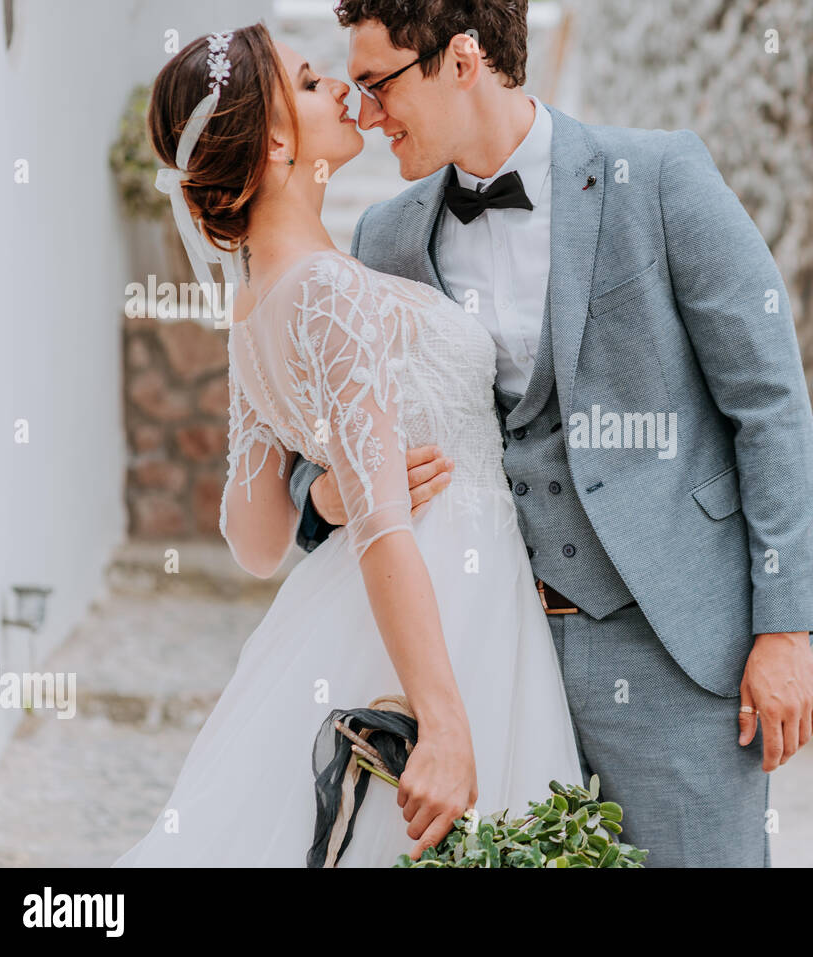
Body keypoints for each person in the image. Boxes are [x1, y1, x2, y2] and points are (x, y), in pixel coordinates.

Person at [287, 0, 813, 867]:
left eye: (377, 83)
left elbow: (767, 399)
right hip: (494, 658)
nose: (363, 111)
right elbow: (310, 438)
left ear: (462, 60)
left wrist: (788, 628)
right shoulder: (385, 238)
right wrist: (320, 491)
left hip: (676, 653)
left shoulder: (659, 177)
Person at [115, 22, 580, 867]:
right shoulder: (328, 288)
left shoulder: (256, 304)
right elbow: (384, 528)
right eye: (305, 80)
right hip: (439, 612)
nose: (338, 87)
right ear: (273, 142)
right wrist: (440, 722)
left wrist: (325, 495)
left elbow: (256, 540)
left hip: (356, 618)